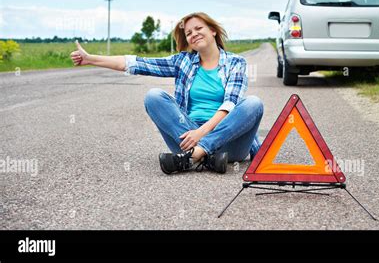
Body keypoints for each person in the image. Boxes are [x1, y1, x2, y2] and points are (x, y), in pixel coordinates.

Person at [70, 12, 264, 175]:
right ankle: (207, 159)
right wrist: (91, 59)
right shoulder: (183, 62)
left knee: (253, 103)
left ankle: (197, 155)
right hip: (187, 136)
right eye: (188, 33)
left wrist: (202, 135)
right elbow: (137, 63)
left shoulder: (236, 63)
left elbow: (231, 104)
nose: (193, 34)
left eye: (198, 28)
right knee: (153, 96)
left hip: (228, 141)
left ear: (213, 31)